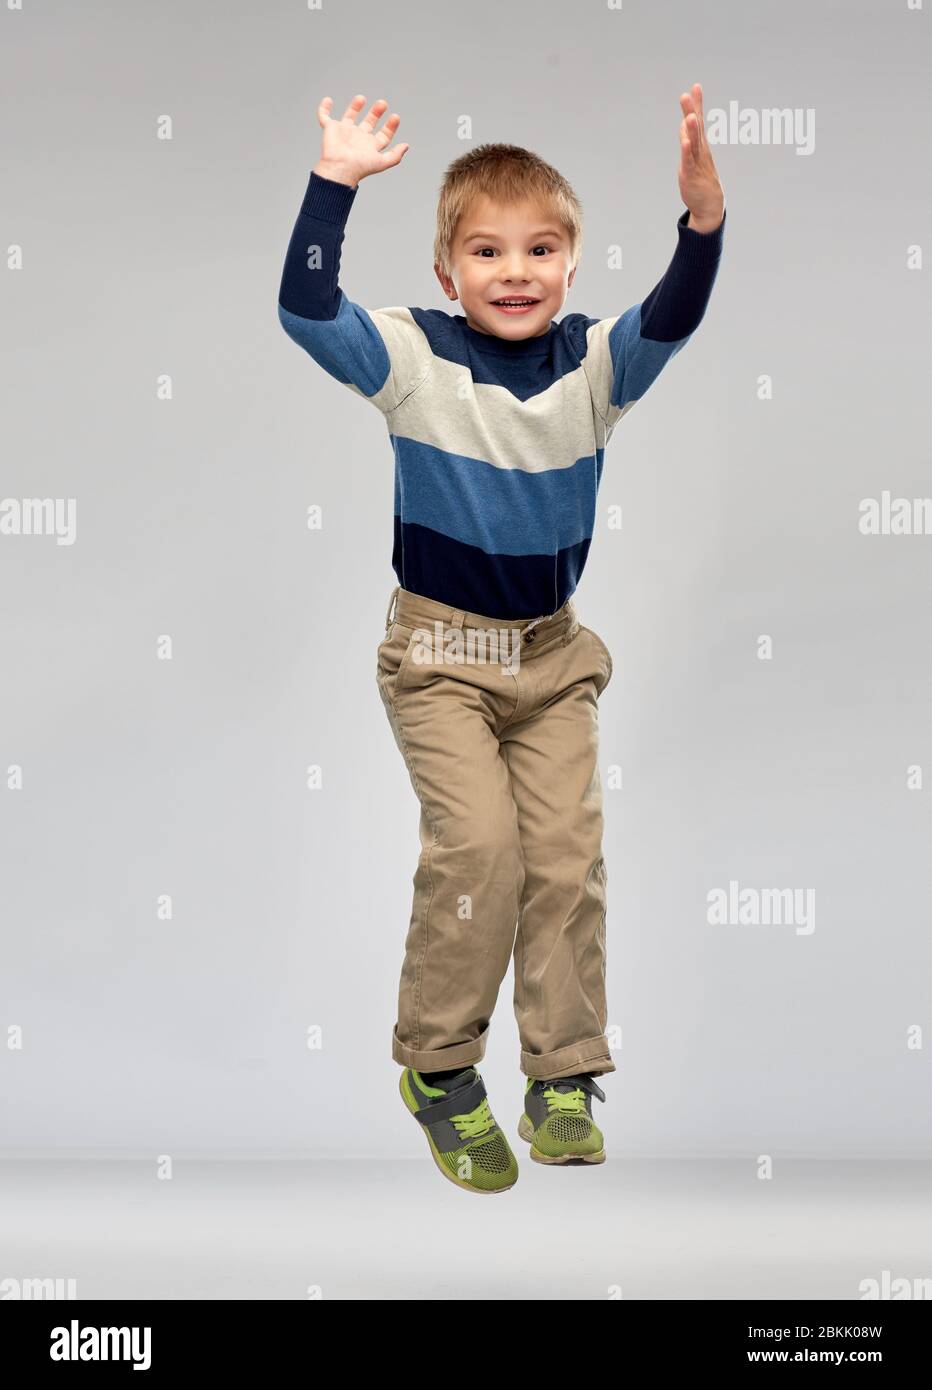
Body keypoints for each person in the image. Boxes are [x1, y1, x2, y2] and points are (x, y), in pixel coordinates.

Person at [278, 87, 726, 1194]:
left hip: (551, 657)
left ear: (571, 267)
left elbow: (671, 316)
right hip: (440, 658)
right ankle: (437, 1068)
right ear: (446, 275)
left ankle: (563, 1073)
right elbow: (303, 311)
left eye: (538, 249)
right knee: (481, 851)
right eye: (484, 251)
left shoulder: (594, 367)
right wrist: (332, 186)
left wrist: (701, 228)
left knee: (566, 859)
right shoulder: (411, 359)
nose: (513, 270)